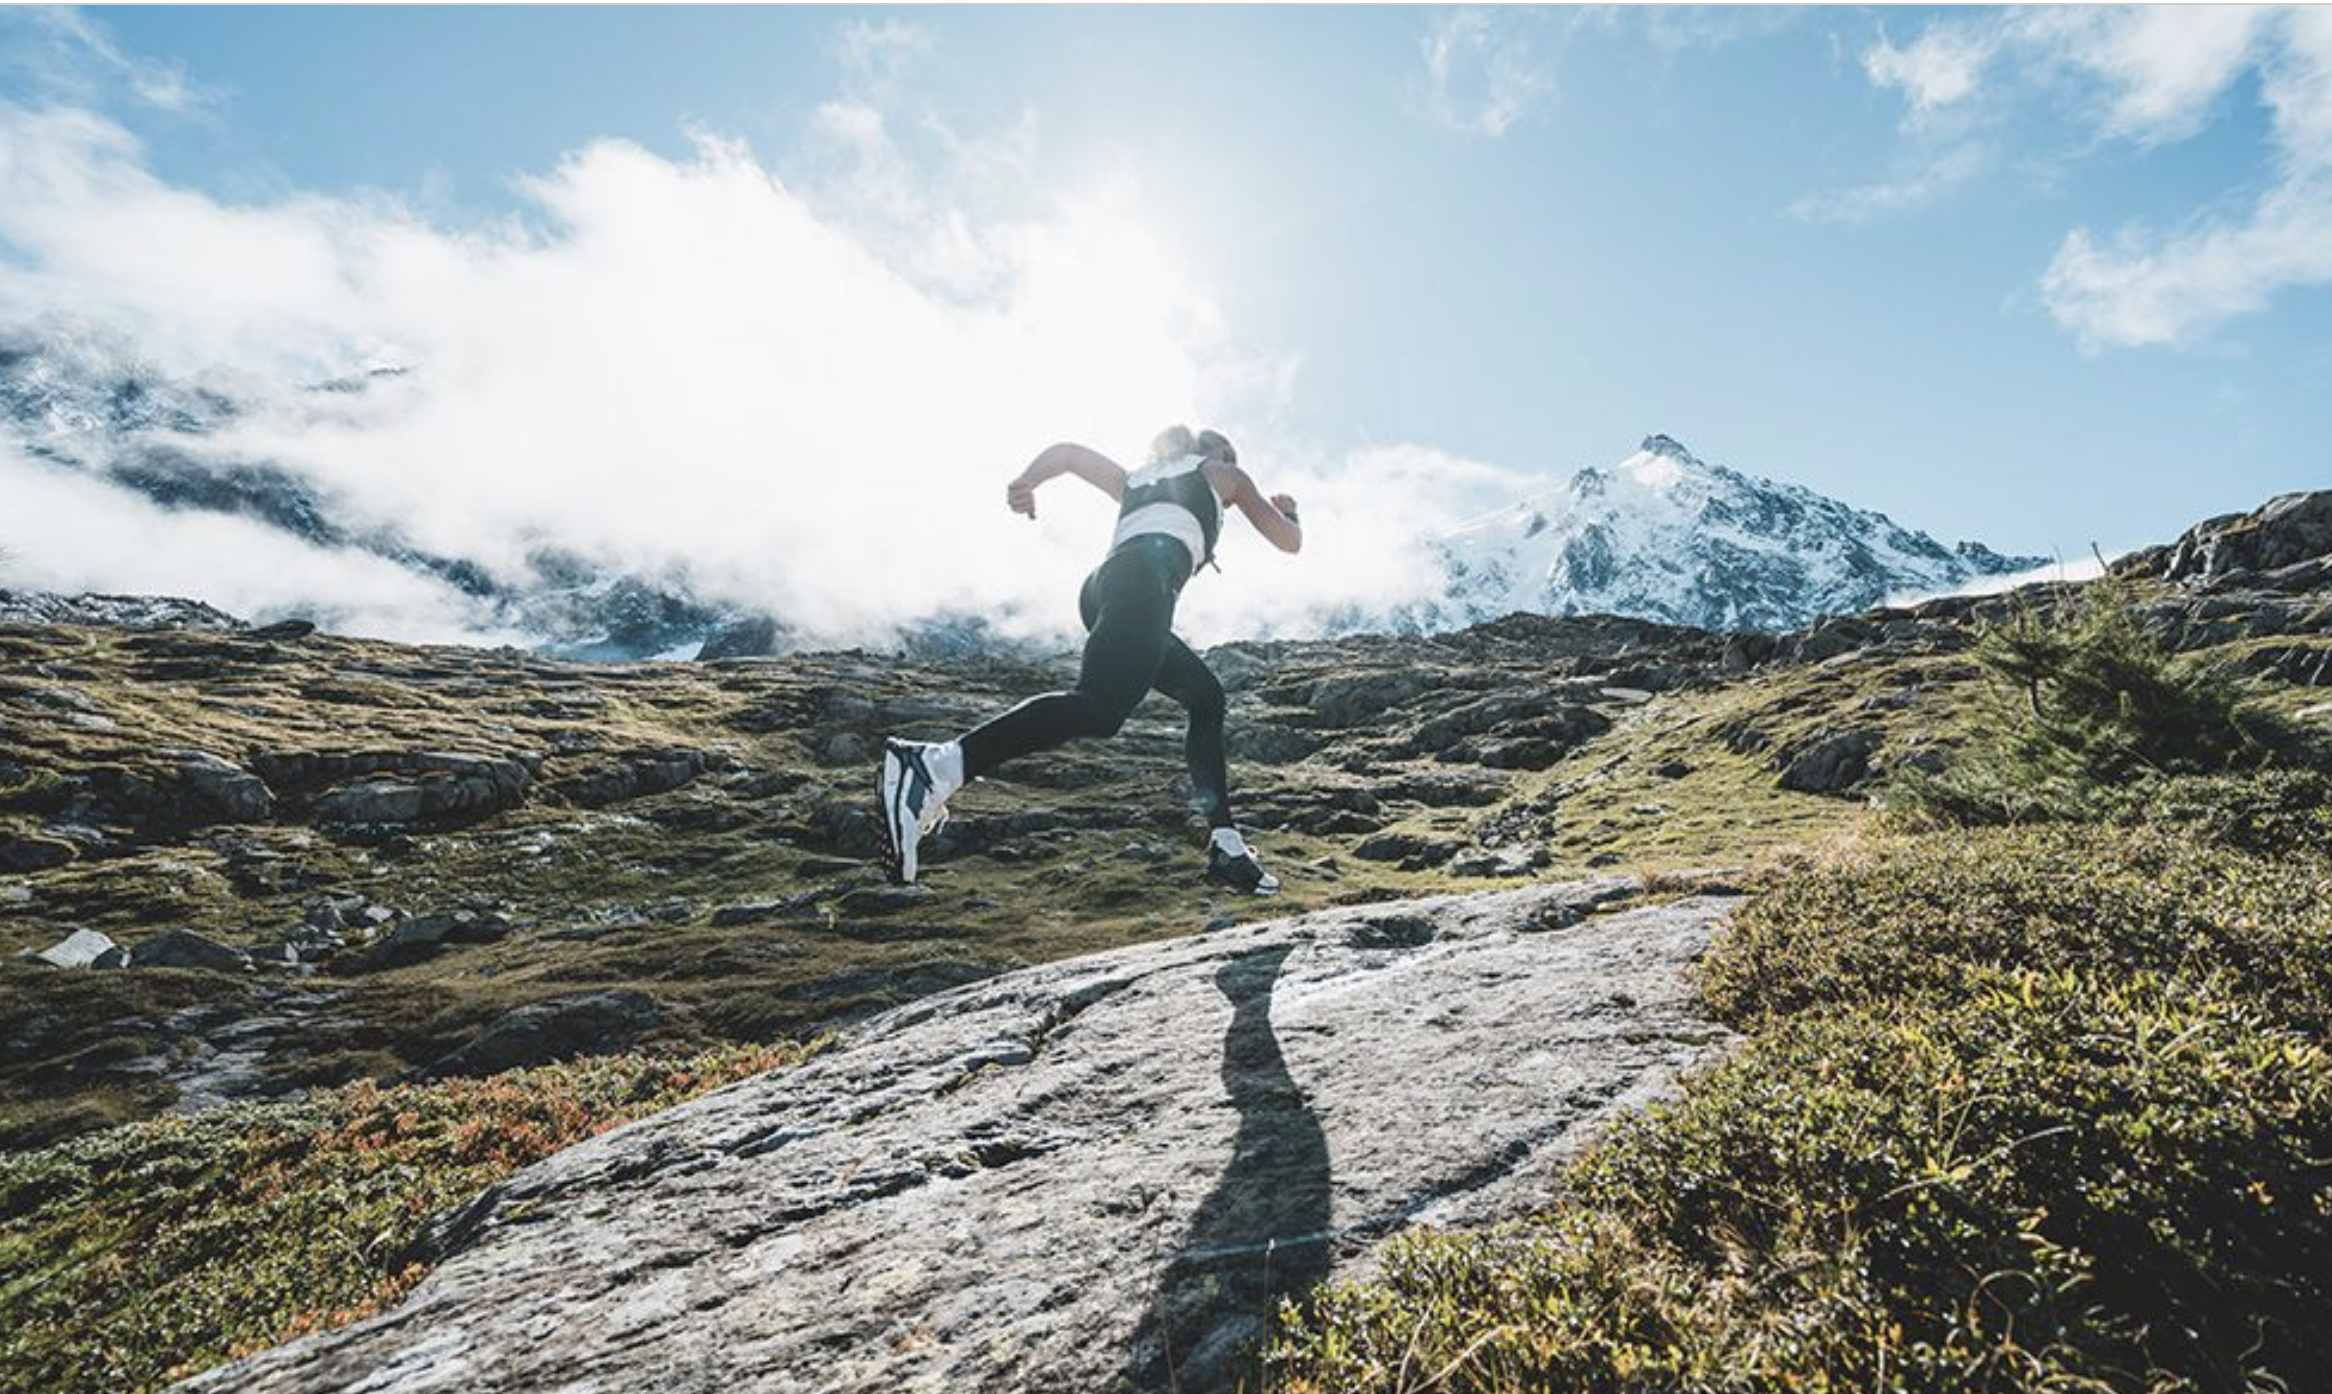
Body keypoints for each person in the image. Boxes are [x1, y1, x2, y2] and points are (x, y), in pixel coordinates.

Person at [878, 424, 1303, 894]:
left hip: (1107, 585)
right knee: (1100, 708)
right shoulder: (1223, 472)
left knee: (1206, 698)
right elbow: (1289, 542)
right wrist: (1289, 511)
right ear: (1221, 452)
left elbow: (1069, 455)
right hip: (1145, 578)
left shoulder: (1140, 477)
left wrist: (1027, 481)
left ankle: (1226, 845)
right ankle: (935, 766)